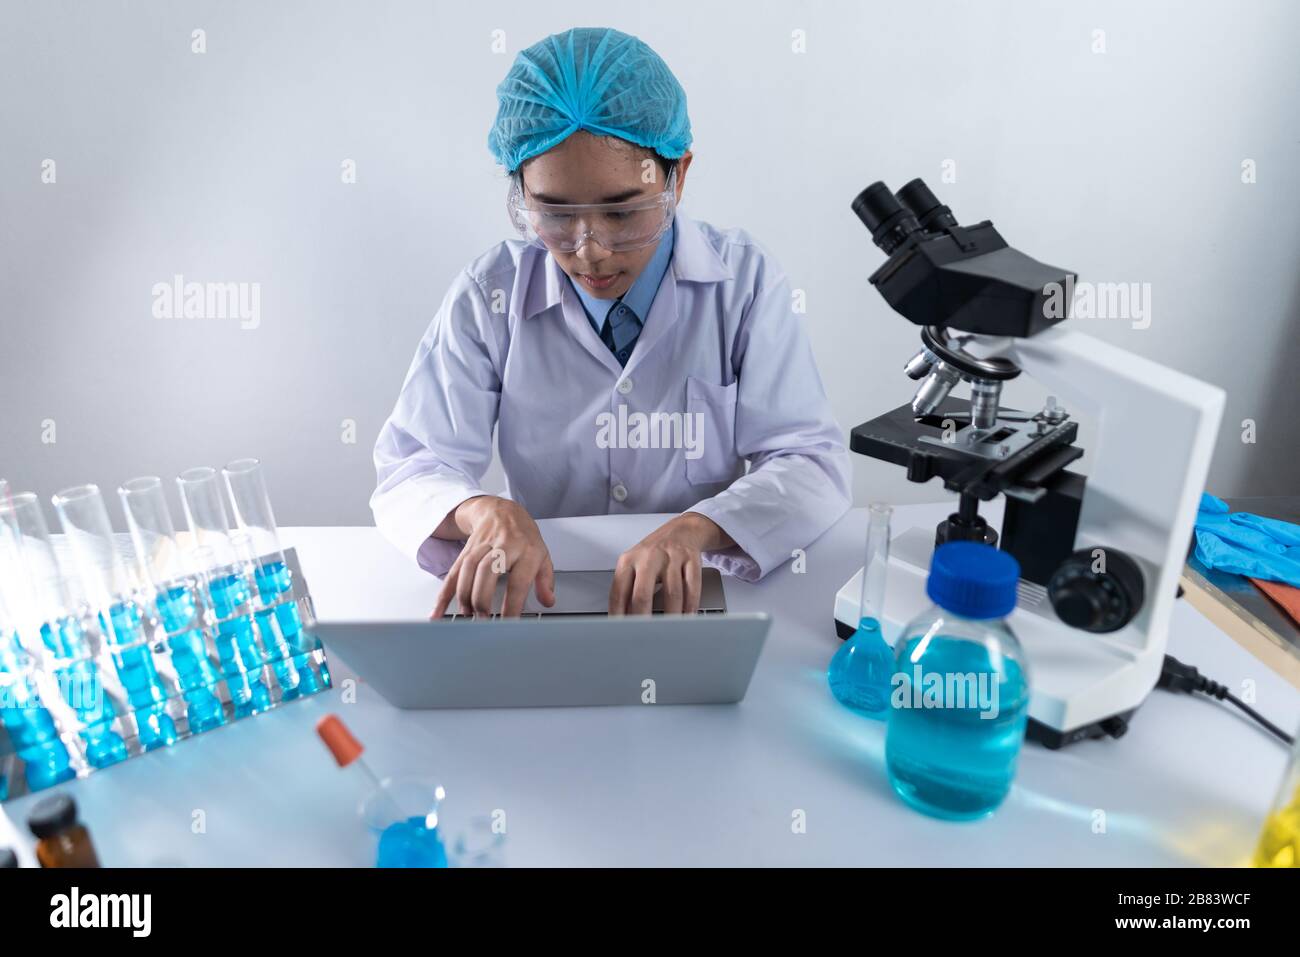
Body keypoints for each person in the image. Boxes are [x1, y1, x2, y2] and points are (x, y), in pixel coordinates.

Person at [371, 27, 850, 617]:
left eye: (623, 212)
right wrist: (485, 511)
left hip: (693, 596)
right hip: (542, 594)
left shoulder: (743, 282)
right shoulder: (488, 294)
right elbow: (412, 467)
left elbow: (810, 462)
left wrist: (697, 528)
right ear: (520, 191)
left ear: (677, 177)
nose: (589, 249)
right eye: (554, 212)